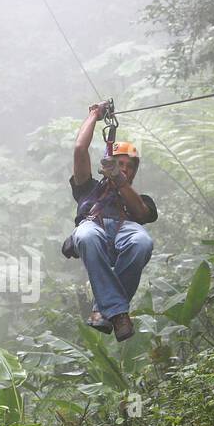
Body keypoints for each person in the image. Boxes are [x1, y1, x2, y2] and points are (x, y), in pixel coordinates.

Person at [64, 101, 157, 341]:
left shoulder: (139, 199)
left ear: (134, 173)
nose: (124, 169)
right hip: (93, 226)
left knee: (142, 242)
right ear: (109, 165)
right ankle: (118, 314)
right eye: (119, 164)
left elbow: (142, 213)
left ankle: (102, 310)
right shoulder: (89, 189)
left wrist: (119, 180)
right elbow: (79, 149)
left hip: (125, 232)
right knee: (86, 235)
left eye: (129, 167)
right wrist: (95, 115)